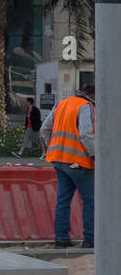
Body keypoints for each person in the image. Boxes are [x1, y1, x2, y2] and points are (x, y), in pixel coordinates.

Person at [41, 83, 96, 249]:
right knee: (90, 201)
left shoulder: (62, 104)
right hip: (77, 162)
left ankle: (61, 238)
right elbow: (86, 133)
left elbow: (44, 129)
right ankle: (90, 240)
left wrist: (51, 148)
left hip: (58, 159)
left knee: (63, 200)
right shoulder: (86, 106)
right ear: (92, 95)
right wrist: (95, 155)